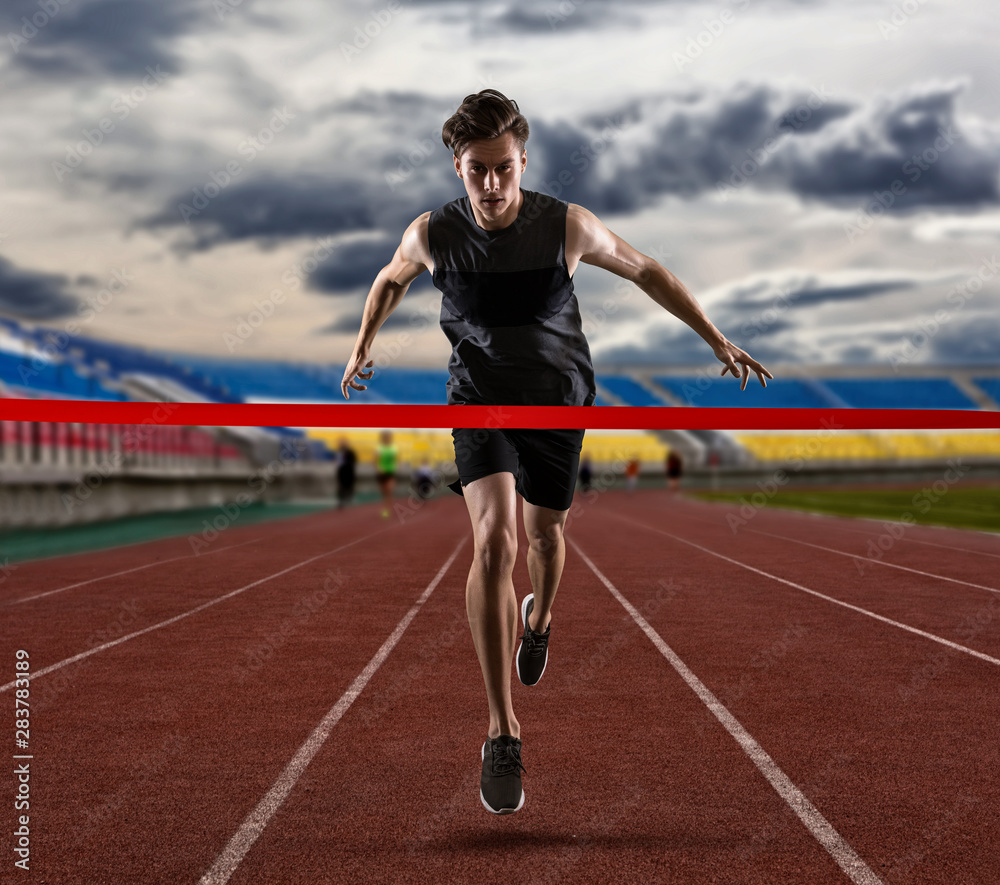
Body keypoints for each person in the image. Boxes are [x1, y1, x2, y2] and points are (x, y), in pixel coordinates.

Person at [341, 89, 772, 815]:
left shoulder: (566, 226)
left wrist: (715, 337)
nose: (492, 185)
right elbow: (388, 280)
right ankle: (502, 728)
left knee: (546, 534)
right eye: (477, 170)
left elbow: (646, 270)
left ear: (523, 161)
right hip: (478, 400)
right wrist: (359, 348)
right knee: (492, 542)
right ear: (457, 166)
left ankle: (538, 622)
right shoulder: (433, 234)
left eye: (504, 168)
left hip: (558, 401)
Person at [375, 429, 398, 518]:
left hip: (390, 471)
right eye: (385, 437)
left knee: (389, 489)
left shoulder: (393, 448)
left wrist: (396, 466)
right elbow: (375, 459)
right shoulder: (379, 448)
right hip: (381, 472)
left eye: (388, 437)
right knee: (384, 492)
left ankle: (387, 509)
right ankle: (386, 506)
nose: (387, 438)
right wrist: (378, 468)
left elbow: (396, 458)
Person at [335, 436, 356, 508]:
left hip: (349, 471)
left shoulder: (350, 452)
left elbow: (353, 461)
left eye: (343, 442)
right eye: (341, 442)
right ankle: (341, 501)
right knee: (341, 486)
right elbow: (338, 462)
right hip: (341, 471)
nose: (342, 444)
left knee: (348, 486)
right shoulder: (338, 452)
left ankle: (348, 498)